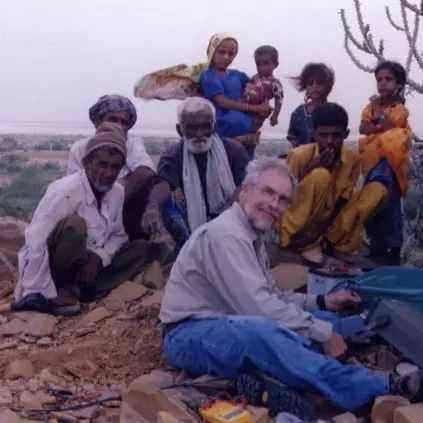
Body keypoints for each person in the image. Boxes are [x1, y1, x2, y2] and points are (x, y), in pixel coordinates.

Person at [159, 156, 423, 414]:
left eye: (282, 199)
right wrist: (322, 333)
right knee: (266, 331)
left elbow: (272, 296)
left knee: (318, 318)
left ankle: (349, 341)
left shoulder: (251, 233)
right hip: (186, 335)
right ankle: (371, 387)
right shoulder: (227, 235)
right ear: (246, 190)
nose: (274, 204)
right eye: (268, 192)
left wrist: (322, 302)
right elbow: (260, 309)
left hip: (226, 322)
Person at [13, 125, 164, 316]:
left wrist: (98, 257)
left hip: (90, 265)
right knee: (75, 226)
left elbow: (118, 235)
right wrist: (35, 289)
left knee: (141, 248)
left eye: (115, 167)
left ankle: (83, 291)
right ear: (86, 163)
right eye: (102, 164)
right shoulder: (64, 192)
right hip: (56, 268)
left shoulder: (117, 192)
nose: (109, 173)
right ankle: (57, 292)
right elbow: (36, 242)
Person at [278, 102, 387, 265]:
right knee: (320, 175)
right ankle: (301, 242)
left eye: (336, 135)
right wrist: (309, 170)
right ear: (313, 133)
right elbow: (283, 198)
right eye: (323, 135)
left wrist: (321, 231)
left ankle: (335, 244)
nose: (330, 141)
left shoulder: (352, 159)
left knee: (377, 189)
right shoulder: (298, 156)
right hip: (300, 225)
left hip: (328, 224)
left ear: (346, 134)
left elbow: (343, 201)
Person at [141, 97, 249, 251]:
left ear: (214, 126)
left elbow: (247, 185)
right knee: (167, 204)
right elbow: (163, 183)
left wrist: (230, 209)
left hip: (231, 214)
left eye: (205, 127)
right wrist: (152, 206)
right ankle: (191, 248)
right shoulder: (173, 154)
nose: (199, 134)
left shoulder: (233, 149)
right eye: (191, 128)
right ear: (180, 130)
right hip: (191, 220)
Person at [67, 94, 157, 238]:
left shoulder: (132, 144)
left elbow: (145, 172)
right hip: (87, 209)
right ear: (97, 122)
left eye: (123, 122)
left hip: (123, 211)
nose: (118, 126)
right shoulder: (79, 148)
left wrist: (117, 204)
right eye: (113, 119)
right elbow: (72, 187)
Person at [358, 61, 412, 266]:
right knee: (371, 201)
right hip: (372, 162)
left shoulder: (400, 109)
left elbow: (391, 127)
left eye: (388, 79)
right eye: (379, 79)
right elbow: (363, 128)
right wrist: (379, 123)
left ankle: (393, 250)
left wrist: (378, 112)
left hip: (391, 163)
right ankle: (376, 247)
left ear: (399, 84)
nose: (383, 83)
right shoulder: (369, 107)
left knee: (389, 204)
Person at [199, 33, 272, 159]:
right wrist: (256, 109)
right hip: (223, 128)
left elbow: (257, 87)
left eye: (231, 53)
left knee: (244, 167)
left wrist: (265, 103)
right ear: (211, 51)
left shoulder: (237, 75)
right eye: (221, 52)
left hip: (247, 134)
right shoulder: (208, 75)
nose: (226, 57)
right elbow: (222, 102)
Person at [287, 63, 334, 147]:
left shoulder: (333, 111)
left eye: (319, 83)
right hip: (302, 155)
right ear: (305, 86)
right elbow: (292, 136)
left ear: (327, 86)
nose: (314, 86)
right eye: (311, 83)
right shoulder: (299, 113)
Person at [243, 45, 284, 128]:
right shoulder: (254, 78)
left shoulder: (275, 83)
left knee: (252, 127)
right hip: (245, 107)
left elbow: (279, 100)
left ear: (275, 64)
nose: (261, 67)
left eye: (266, 63)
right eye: (258, 64)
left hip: (259, 112)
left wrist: (275, 115)